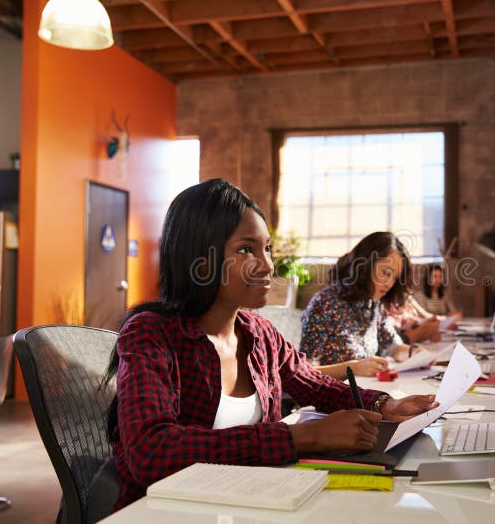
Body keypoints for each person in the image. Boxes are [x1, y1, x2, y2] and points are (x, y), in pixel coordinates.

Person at [102, 180, 437, 511]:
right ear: (201, 260)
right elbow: (151, 452)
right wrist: (304, 437)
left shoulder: (259, 334)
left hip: (252, 504)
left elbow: (315, 385)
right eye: (247, 249)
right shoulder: (151, 334)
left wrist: (385, 405)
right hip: (167, 512)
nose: (268, 266)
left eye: (267, 249)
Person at [300, 232, 424, 379]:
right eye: (386, 273)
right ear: (364, 265)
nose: (390, 284)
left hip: (364, 393)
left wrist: (415, 354)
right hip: (330, 397)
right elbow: (304, 372)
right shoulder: (324, 303)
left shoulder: (373, 303)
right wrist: (353, 368)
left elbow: (393, 346)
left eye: (395, 278)